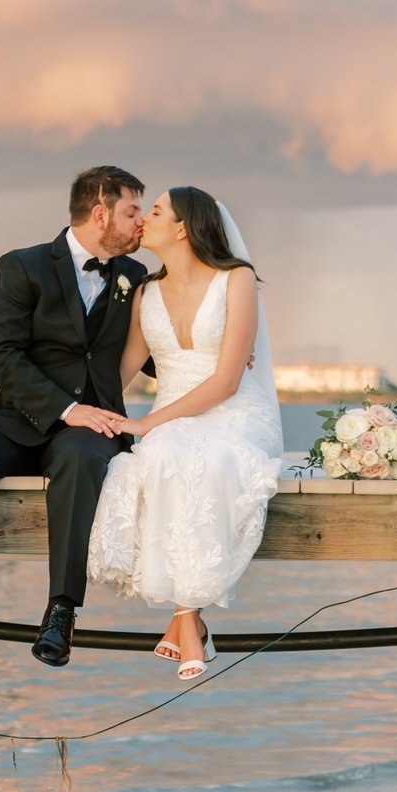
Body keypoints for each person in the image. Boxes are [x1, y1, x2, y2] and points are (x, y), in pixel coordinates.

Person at [0, 165, 149, 675]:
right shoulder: (22, 266)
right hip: (14, 417)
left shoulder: (134, 278)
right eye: (132, 212)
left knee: (82, 465)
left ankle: (61, 611)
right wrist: (66, 408)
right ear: (100, 211)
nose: (141, 224)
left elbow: (155, 350)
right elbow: (1, 355)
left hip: (89, 430)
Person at [87, 186, 284, 677]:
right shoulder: (145, 292)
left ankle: (185, 620)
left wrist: (149, 422)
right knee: (163, 454)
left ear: (181, 227)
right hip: (174, 420)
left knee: (201, 457)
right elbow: (122, 370)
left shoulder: (236, 280)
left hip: (235, 414)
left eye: (154, 211)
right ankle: (189, 624)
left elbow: (227, 379)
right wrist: (74, 409)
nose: (142, 219)